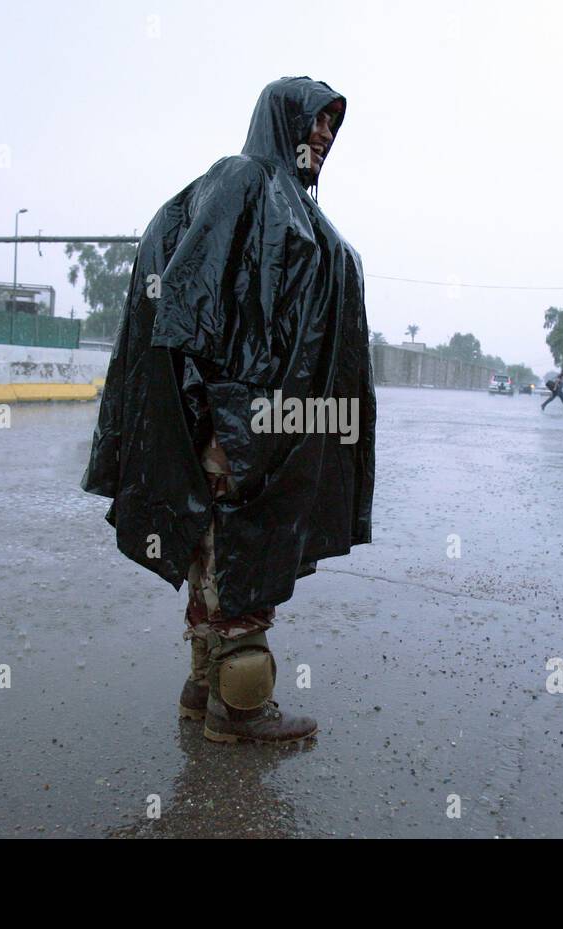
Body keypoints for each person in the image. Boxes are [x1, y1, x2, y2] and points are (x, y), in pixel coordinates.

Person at [82, 77, 376, 745]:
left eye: (334, 125)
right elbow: (190, 301)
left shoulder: (292, 205)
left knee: (218, 556)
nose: (325, 135)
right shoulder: (246, 180)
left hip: (265, 432)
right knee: (240, 563)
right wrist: (221, 428)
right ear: (281, 119)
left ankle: (201, 689)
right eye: (315, 120)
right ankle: (240, 707)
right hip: (241, 432)